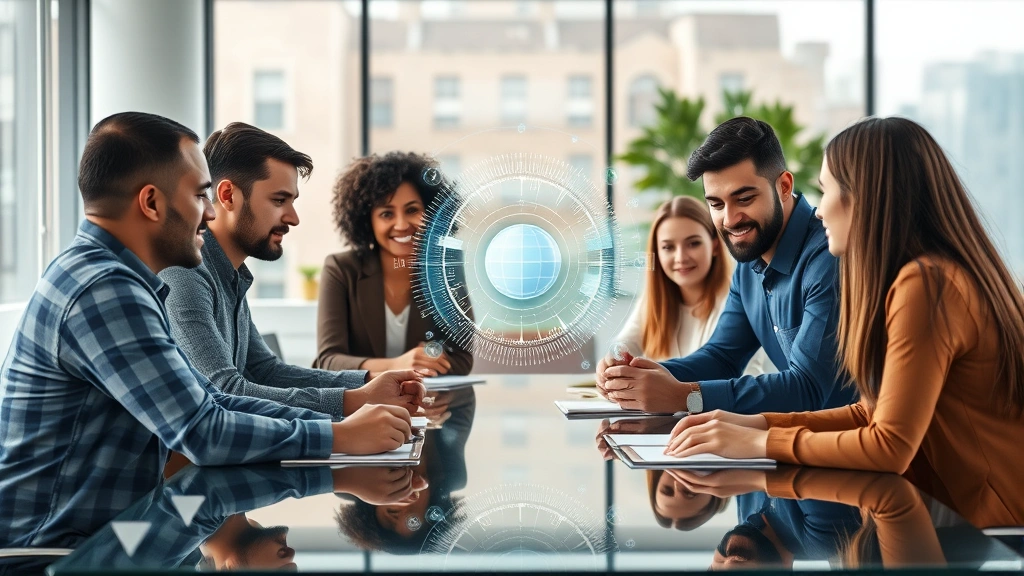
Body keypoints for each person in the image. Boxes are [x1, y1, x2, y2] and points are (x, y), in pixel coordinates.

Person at [0, 112, 414, 549]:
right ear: (152, 203)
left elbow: (212, 400)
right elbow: (205, 431)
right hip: (56, 553)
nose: (211, 211)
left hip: (119, 538)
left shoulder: (124, 280)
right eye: (201, 195)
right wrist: (340, 436)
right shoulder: (105, 290)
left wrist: (349, 416)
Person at [665, 117, 1024, 529]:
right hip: (957, 520)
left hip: (994, 532)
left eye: (824, 190)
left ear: (866, 198)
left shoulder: (926, 284)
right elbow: (868, 413)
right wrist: (752, 424)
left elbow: (889, 446)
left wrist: (759, 440)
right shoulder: (922, 276)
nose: (817, 211)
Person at [159, 122, 423, 420]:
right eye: (279, 200)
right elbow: (224, 391)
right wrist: (354, 400)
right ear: (229, 195)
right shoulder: (184, 273)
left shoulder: (231, 274)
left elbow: (266, 371)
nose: (293, 218)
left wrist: (368, 383)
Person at [598, 117, 855, 415]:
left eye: (744, 198)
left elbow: (808, 389)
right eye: (717, 205)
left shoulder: (828, 258)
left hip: (854, 449)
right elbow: (722, 357)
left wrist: (686, 397)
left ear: (784, 186)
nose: (730, 220)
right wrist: (642, 375)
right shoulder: (750, 261)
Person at [315, 152, 473, 377]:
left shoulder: (446, 270)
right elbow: (328, 361)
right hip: (358, 405)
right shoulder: (340, 269)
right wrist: (396, 365)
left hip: (422, 403)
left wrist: (431, 357)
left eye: (412, 210)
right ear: (367, 220)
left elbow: (462, 359)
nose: (401, 225)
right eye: (386, 214)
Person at [611, 195, 774, 375]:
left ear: (714, 246)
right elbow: (625, 344)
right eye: (668, 247)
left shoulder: (738, 304)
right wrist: (614, 358)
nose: (681, 257)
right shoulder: (652, 301)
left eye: (693, 243)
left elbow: (744, 379)